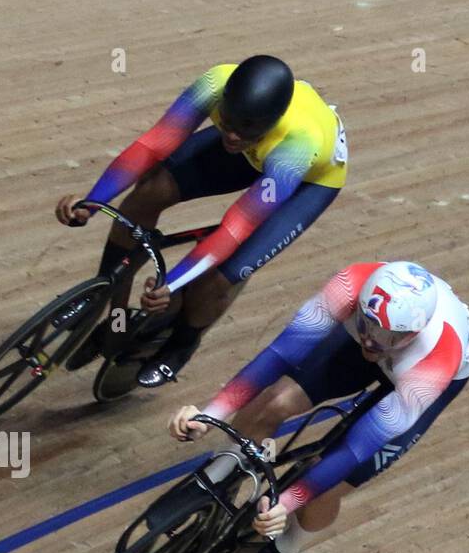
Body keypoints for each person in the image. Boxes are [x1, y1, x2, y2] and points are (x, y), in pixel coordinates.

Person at [168, 260, 469, 553]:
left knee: (325, 480)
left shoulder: (435, 359)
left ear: (414, 333)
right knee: (275, 401)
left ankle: (283, 551)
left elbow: (358, 447)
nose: (374, 343)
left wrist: (287, 502)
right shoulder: (349, 286)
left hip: (416, 373)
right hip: (358, 343)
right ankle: (221, 473)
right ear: (360, 304)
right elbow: (279, 355)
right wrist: (210, 413)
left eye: (390, 337)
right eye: (370, 326)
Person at [55, 56, 348, 384]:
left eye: (246, 127)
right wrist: (93, 201)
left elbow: (235, 227)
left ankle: (181, 345)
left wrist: (173, 282)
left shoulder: (297, 144)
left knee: (220, 276)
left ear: (272, 121)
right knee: (149, 192)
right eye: (228, 120)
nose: (233, 135)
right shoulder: (216, 84)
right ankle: (110, 308)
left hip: (307, 181)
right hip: (258, 152)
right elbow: (152, 146)